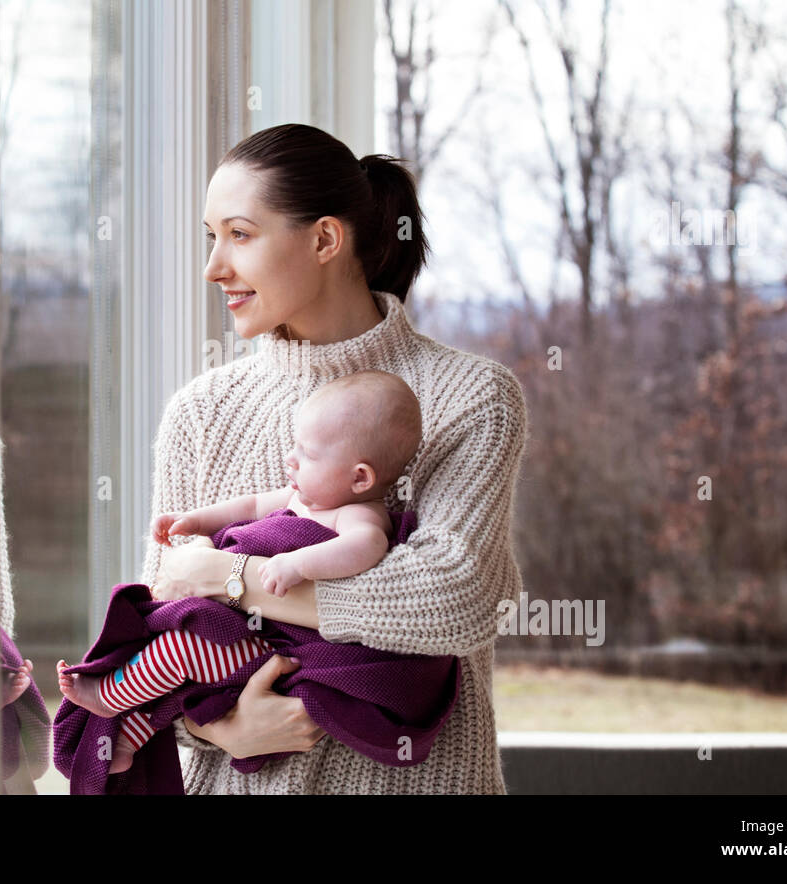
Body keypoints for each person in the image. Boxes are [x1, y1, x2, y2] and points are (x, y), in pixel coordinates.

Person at [144, 123, 529, 794]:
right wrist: (221, 730)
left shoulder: (472, 398)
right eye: (211, 237)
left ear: (324, 239)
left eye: (239, 234)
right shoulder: (198, 413)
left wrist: (228, 576)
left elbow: (454, 601)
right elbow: (156, 632)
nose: (213, 267)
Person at [56, 370, 423, 774]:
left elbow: (365, 547)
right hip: (251, 644)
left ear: (360, 477)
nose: (291, 459)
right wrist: (197, 521)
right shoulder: (303, 497)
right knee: (179, 679)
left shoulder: (357, 515)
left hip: (278, 654)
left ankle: (111, 695)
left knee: (181, 649)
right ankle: (127, 741)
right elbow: (248, 507)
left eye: (309, 454)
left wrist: (297, 563)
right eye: (295, 445)